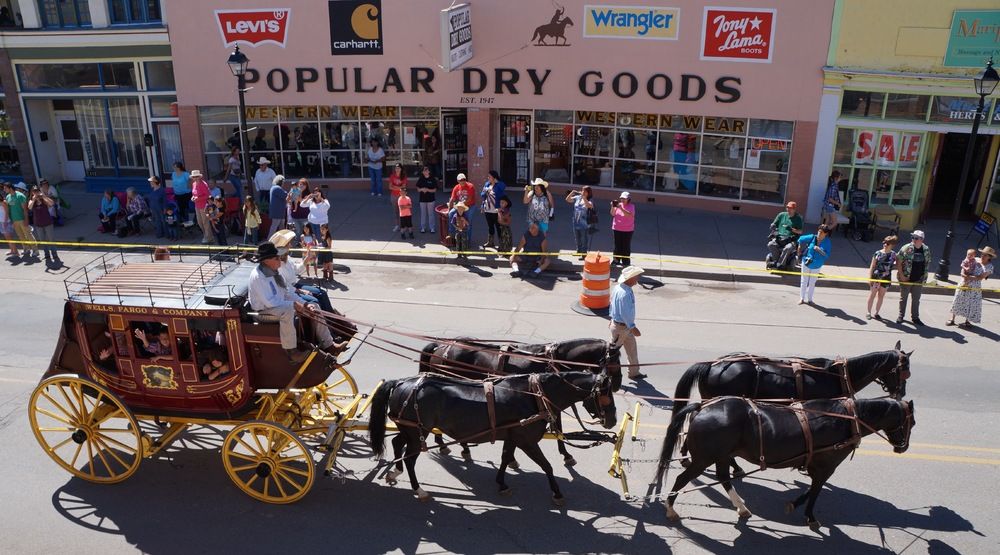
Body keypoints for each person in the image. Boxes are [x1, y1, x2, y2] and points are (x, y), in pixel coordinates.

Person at [247, 242, 338, 362]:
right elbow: (271, 303)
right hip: (263, 312)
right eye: (277, 258)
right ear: (266, 260)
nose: (280, 260)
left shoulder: (274, 272)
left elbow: (287, 293)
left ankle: (329, 344)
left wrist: (304, 304)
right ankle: (291, 351)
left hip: (277, 306)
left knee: (314, 306)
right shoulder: (259, 277)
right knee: (288, 310)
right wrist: (294, 305)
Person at [609, 265, 646, 381]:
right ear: (630, 279)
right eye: (636, 277)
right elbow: (625, 313)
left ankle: (634, 373)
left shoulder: (619, 288)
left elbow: (612, 304)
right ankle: (606, 374)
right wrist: (633, 327)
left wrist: (611, 319)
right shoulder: (624, 293)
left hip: (622, 327)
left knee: (632, 349)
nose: (637, 279)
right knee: (612, 354)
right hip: (623, 327)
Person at [947, 246, 994, 329]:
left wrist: (968, 277)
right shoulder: (975, 258)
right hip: (964, 282)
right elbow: (964, 264)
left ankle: (967, 321)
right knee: (958, 299)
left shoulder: (989, 267)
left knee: (971, 303)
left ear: (989, 257)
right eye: (982, 254)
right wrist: (963, 273)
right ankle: (952, 318)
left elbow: (980, 277)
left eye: (985, 255)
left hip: (974, 286)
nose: (983, 255)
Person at [896, 230, 930, 326]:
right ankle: (901, 316)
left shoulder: (926, 249)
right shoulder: (906, 248)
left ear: (922, 240)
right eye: (913, 237)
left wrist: (924, 277)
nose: (913, 240)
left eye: (916, 238)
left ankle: (915, 318)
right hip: (906, 278)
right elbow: (898, 261)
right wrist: (901, 275)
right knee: (903, 298)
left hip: (919, 278)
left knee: (916, 299)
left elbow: (927, 263)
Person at [796, 224, 832, 305]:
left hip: (817, 265)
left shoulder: (827, 242)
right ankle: (801, 298)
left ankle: (810, 299)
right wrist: (799, 248)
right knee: (804, 281)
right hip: (806, 262)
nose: (819, 233)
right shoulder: (812, 237)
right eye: (818, 231)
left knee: (812, 283)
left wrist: (820, 250)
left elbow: (827, 256)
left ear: (825, 234)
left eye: (821, 232)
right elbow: (800, 239)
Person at [866, 235, 898, 320]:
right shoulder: (878, 253)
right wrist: (870, 278)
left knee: (881, 295)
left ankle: (876, 313)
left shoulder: (894, 255)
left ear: (891, 245)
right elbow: (872, 266)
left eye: (887, 243)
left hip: (886, 278)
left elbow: (897, 265)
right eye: (884, 242)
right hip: (876, 277)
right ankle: (868, 312)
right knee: (872, 294)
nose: (885, 244)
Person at [766, 201, 803, 269]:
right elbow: (774, 224)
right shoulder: (781, 215)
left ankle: (780, 264)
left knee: (787, 248)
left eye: (790, 208)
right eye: (787, 207)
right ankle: (776, 261)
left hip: (791, 239)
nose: (788, 209)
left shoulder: (798, 218)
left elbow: (800, 232)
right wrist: (773, 226)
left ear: (794, 209)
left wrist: (791, 229)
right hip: (780, 237)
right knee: (770, 244)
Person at [28, 185, 58, 263]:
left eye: (37, 191)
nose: (36, 192)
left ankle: (54, 254)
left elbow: (51, 203)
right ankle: (46, 254)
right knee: (42, 240)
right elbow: (29, 207)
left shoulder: (44, 199)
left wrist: (43, 196)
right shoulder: (32, 200)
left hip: (47, 222)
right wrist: (34, 199)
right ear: (32, 192)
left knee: (51, 239)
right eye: (34, 191)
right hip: (38, 224)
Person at [448, 173, 478, 243]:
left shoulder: (470, 186)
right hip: (460, 205)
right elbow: (452, 199)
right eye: (461, 180)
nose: (463, 181)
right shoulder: (456, 187)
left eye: (464, 179)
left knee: (468, 220)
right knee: (451, 214)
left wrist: (460, 205)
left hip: (470, 206)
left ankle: (467, 240)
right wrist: (449, 208)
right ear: (458, 181)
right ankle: (451, 233)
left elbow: (469, 199)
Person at [480, 170, 506, 249]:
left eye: (489, 177)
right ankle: (490, 242)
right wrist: (485, 191)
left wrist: (496, 183)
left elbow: (501, 190)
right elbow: (482, 195)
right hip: (487, 209)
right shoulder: (487, 184)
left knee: (498, 227)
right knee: (490, 226)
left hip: (496, 210)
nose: (488, 178)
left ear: (494, 177)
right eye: (488, 176)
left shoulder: (500, 185)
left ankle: (501, 245)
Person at [566, 186, 594, 258]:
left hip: (584, 223)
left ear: (588, 193)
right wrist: (572, 193)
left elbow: (589, 205)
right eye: (582, 190)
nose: (583, 192)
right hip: (575, 221)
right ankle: (579, 250)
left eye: (585, 191)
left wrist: (583, 197)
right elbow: (568, 200)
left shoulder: (590, 200)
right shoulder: (578, 197)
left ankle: (584, 254)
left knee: (584, 238)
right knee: (577, 237)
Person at [611, 191, 636, 266]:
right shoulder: (618, 205)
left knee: (625, 246)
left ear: (628, 199)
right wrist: (612, 207)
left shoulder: (631, 206)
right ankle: (616, 260)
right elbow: (612, 214)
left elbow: (629, 215)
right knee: (617, 245)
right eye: (621, 198)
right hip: (616, 228)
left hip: (628, 230)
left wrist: (621, 208)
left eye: (624, 198)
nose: (622, 200)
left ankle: (626, 261)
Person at [190, 170, 214, 244]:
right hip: (197, 205)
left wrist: (198, 198)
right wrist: (193, 198)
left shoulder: (203, 184)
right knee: (200, 222)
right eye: (194, 177)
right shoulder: (194, 184)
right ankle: (206, 235)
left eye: (197, 176)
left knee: (205, 222)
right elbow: (194, 194)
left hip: (204, 206)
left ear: (199, 177)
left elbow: (208, 195)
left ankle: (209, 237)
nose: (195, 178)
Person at [416, 165, 438, 233]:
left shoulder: (432, 179)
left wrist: (428, 190)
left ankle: (432, 228)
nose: (425, 172)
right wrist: (422, 189)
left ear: (429, 171)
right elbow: (418, 189)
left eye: (427, 170)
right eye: (424, 171)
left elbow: (435, 190)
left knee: (431, 214)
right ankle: (423, 227)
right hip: (422, 199)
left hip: (431, 199)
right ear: (422, 172)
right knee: (423, 214)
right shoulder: (421, 179)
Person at [288, 179, 310, 243]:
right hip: (295, 216)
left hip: (305, 216)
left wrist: (298, 197)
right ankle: (297, 243)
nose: (301, 186)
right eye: (300, 184)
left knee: (306, 231)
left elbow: (303, 203)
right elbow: (289, 201)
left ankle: (307, 243)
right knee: (298, 231)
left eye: (303, 185)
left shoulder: (308, 194)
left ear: (306, 186)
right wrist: (290, 197)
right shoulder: (294, 191)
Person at [388, 163, 408, 232]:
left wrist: (395, 187)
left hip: (401, 196)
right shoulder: (392, 176)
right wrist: (399, 187)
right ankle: (397, 225)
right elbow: (390, 187)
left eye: (399, 168)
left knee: (403, 211)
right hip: (393, 196)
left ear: (401, 169)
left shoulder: (404, 176)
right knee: (396, 211)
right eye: (396, 168)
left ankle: (404, 225)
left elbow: (404, 187)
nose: (397, 169)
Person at [0, 192, 16, 257]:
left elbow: (7, 212)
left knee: (9, 237)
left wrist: (5, 222)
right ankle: (12, 250)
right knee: (7, 238)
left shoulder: (4, 202)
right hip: (1, 222)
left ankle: (15, 252)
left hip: (6, 222)